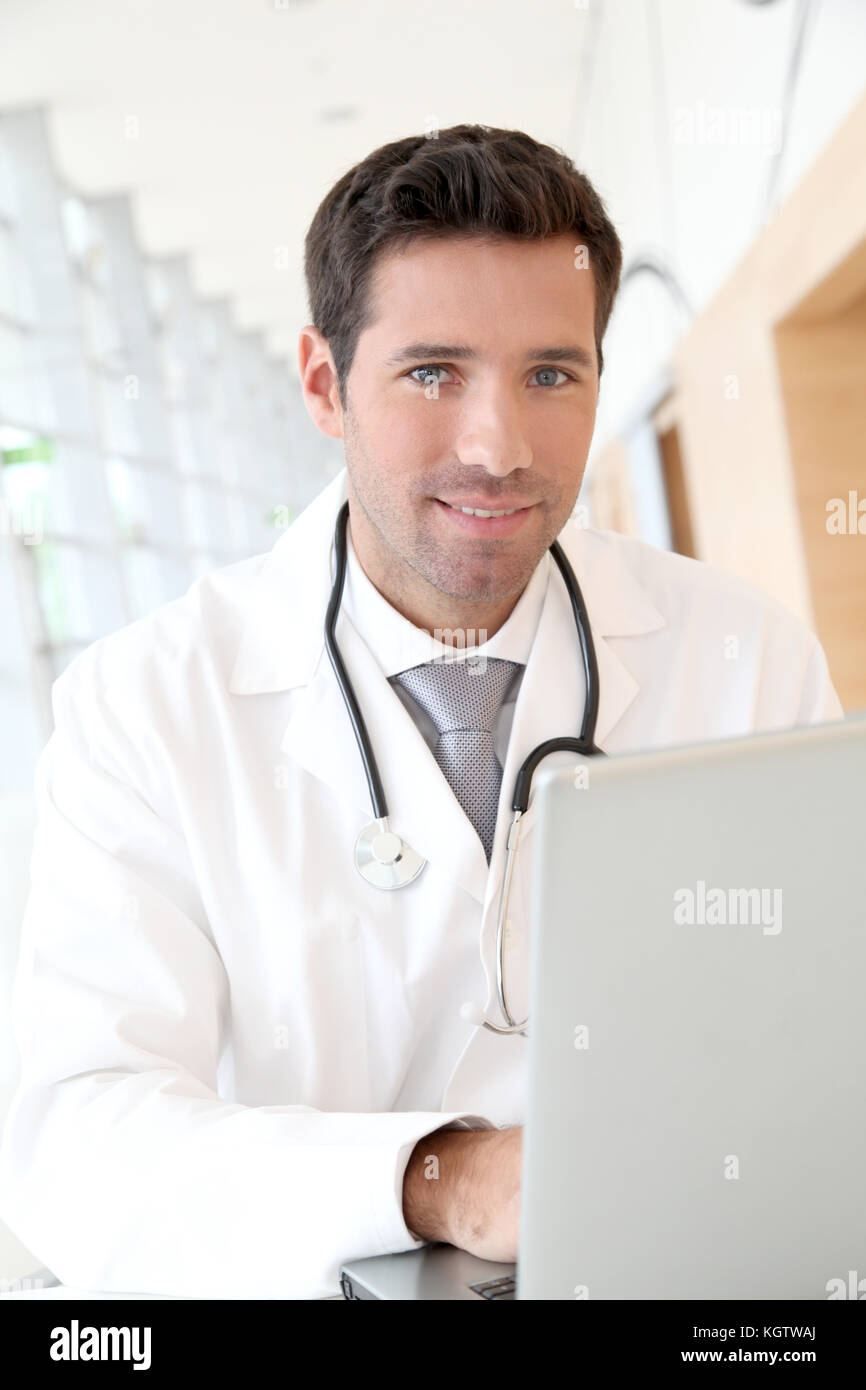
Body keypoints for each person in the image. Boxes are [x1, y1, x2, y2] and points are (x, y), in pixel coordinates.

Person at [0, 125, 842, 1299]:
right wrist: (439, 1177)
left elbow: (828, 1016)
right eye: (432, 372)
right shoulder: (144, 707)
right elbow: (79, 1139)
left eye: (550, 374)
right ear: (322, 385)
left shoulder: (740, 653)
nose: (497, 447)